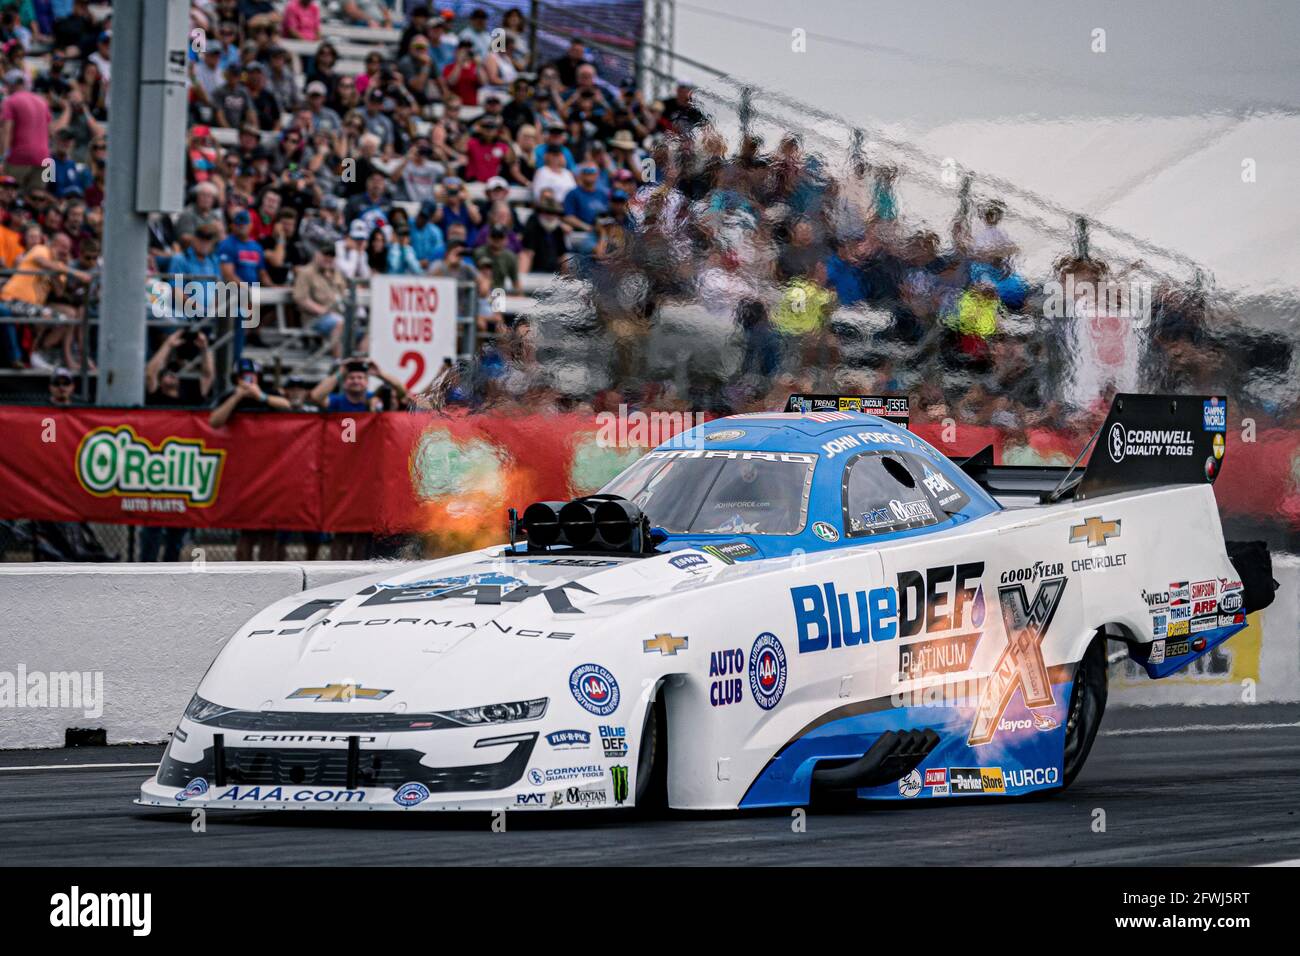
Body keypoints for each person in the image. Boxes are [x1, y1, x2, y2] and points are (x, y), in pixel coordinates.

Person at [0, 70, 51, 192]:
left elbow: (6, 131)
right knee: (37, 198)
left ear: (11, 84)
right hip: (44, 158)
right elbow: (50, 130)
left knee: (8, 194)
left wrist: (2, 158)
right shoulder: (42, 101)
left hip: (19, 157)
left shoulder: (10, 101)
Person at [292, 246, 348, 355]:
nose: (328, 258)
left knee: (365, 327)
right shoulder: (306, 273)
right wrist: (321, 310)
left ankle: (358, 364)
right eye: (325, 255)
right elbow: (300, 298)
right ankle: (338, 362)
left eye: (331, 256)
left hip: (338, 313)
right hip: (315, 318)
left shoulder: (336, 273)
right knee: (340, 323)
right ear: (317, 254)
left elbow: (343, 294)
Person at [309, 357, 408, 412]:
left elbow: (402, 391)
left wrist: (380, 374)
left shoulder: (374, 398)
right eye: (351, 378)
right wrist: (339, 373)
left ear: (367, 382)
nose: (356, 381)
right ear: (344, 384)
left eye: (360, 378)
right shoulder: (337, 401)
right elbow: (316, 396)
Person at [145, 329, 215, 406]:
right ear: (160, 382)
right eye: (167, 372)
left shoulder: (192, 396)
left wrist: (204, 348)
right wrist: (168, 344)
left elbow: (208, 375)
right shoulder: (155, 396)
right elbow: (150, 373)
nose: (171, 373)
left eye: (175, 371)